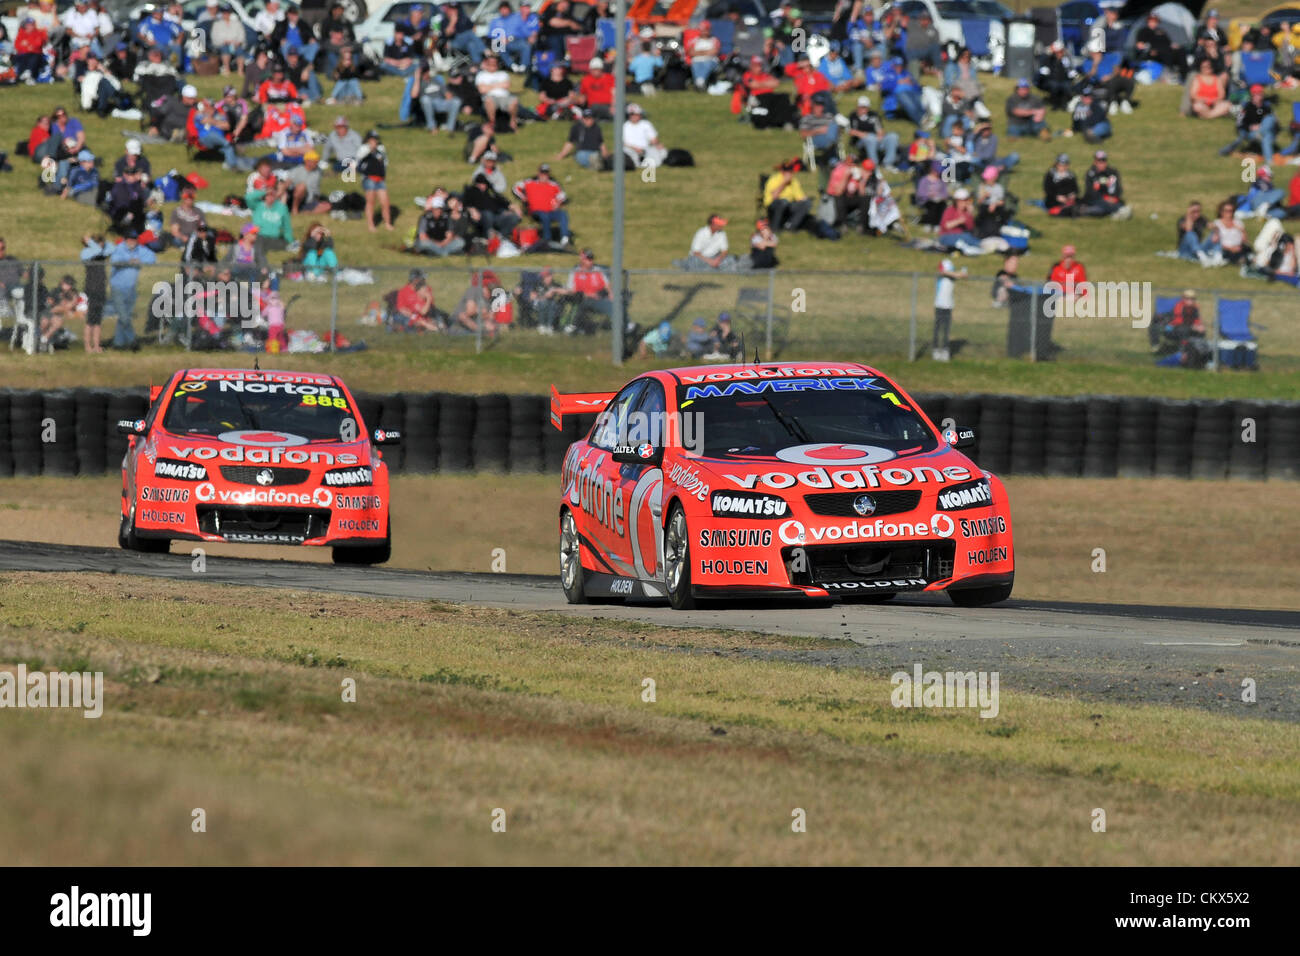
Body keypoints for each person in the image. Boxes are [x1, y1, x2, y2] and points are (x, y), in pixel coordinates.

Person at [106, 231, 154, 351]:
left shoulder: (139, 249)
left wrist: (140, 260)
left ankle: (118, 344)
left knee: (124, 317)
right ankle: (133, 341)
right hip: (118, 288)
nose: (132, 241)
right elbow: (115, 261)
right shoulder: (119, 249)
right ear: (125, 239)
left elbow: (152, 257)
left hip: (131, 289)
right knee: (124, 317)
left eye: (134, 239)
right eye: (129, 239)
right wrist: (129, 261)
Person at [512, 163, 571, 245]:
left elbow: (563, 196)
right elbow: (515, 188)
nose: (544, 175)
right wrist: (523, 198)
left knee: (563, 214)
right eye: (542, 173)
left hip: (550, 211)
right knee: (544, 216)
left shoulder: (553, 184)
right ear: (538, 173)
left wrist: (558, 203)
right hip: (536, 212)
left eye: (546, 173)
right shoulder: (529, 182)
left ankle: (565, 238)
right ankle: (547, 239)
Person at [1219, 84, 1277, 159]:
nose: (1257, 96)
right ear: (1251, 95)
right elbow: (1239, 124)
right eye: (1255, 94)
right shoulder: (1246, 107)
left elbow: (1274, 123)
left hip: (1265, 131)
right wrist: (1250, 127)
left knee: (1269, 120)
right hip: (1249, 132)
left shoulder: (1267, 107)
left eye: (1259, 94)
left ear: (1262, 95)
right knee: (1262, 136)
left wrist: (1263, 127)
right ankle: (1269, 159)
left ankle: (1269, 160)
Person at [564, 248, 612, 334]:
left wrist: (611, 294)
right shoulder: (575, 271)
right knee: (580, 300)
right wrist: (587, 294)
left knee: (616, 303)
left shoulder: (598, 269)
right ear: (582, 260)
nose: (591, 262)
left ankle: (625, 325)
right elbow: (571, 289)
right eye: (588, 259)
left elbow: (607, 284)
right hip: (582, 298)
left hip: (599, 298)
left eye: (592, 259)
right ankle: (574, 325)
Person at [356, 130, 393, 232]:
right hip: (369, 178)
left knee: (385, 202)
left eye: (376, 139)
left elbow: (385, 162)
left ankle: (388, 223)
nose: (374, 141)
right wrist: (370, 149)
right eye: (372, 139)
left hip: (380, 179)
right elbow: (359, 158)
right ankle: (371, 225)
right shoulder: (363, 148)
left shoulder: (381, 149)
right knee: (371, 201)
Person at [847, 95, 898, 170]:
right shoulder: (853, 116)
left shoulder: (873, 115)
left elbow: (880, 129)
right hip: (861, 141)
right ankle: (874, 165)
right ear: (858, 107)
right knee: (870, 138)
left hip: (875, 138)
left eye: (865, 107)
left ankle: (888, 163)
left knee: (893, 136)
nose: (863, 109)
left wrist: (880, 135)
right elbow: (851, 131)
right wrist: (864, 134)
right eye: (861, 107)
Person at [932, 258, 967, 361]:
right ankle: (936, 350)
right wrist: (957, 274)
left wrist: (961, 274)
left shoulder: (952, 275)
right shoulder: (943, 273)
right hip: (939, 305)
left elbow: (962, 275)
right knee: (938, 329)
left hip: (949, 305)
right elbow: (943, 272)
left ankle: (945, 350)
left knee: (946, 330)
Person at [1081, 150, 1131, 218]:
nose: (1101, 163)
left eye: (1103, 161)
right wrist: (1105, 198)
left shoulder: (1112, 172)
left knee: (1117, 204)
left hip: (1111, 199)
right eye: (1099, 161)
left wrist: (1114, 197)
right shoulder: (1091, 174)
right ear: (1095, 162)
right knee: (1100, 209)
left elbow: (1118, 189)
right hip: (1096, 200)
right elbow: (1090, 192)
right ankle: (1118, 211)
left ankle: (1118, 210)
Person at [764, 160, 811, 232]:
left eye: (790, 171)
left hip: (789, 205)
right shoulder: (774, 179)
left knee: (807, 203)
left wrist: (807, 200)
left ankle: (790, 226)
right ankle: (774, 228)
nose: (789, 173)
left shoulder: (794, 181)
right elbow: (774, 196)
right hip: (773, 203)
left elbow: (800, 197)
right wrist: (784, 183)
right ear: (782, 171)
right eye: (787, 171)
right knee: (783, 202)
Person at [476, 54, 519, 132]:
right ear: (487, 64)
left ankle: (513, 122)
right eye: (490, 63)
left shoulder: (503, 74)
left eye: (494, 63)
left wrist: (489, 86)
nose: (492, 65)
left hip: (505, 96)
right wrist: (499, 85)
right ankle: (492, 123)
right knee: (488, 101)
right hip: (490, 97)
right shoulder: (481, 75)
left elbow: (507, 85)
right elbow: (482, 90)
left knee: (514, 100)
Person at [417, 62, 461, 133]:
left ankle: (450, 128)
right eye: (423, 72)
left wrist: (448, 98)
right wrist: (417, 78)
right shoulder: (419, 83)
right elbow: (414, 94)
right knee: (425, 99)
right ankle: (432, 127)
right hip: (429, 103)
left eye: (426, 71)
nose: (425, 74)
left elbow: (447, 94)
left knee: (456, 101)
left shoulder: (436, 80)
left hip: (440, 102)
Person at [938, 189, 983, 256]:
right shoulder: (950, 210)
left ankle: (973, 247)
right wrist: (958, 221)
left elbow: (971, 227)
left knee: (967, 236)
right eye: (962, 201)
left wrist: (970, 214)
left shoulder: (966, 212)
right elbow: (946, 226)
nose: (964, 203)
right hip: (947, 236)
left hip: (963, 236)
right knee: (966, 237)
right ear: (956, 201)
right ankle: (976, 246)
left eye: (966, 200)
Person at [622, 103, 667, 169]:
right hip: (630, 150)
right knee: (627, 153)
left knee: (662, 152)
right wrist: (636, 149)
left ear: (639, 114)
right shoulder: (625, 126)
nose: (633, 116)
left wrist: (657, 144)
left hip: (645, 149)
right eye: (631, 114)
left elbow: (653, 139)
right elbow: (624, 143)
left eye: (635, 114)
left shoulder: (646, 124)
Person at [1043, 153, 1079, 217]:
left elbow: (1076, 189)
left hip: (1068, 199)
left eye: (1065, 165)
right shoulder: (1050, 174)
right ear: (1056, 164)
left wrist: (1073, 194)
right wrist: (1057, 197)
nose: (1063, 168)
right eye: (1061, 165)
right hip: (1054, 200)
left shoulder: (1071, 175)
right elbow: (1047, 190)